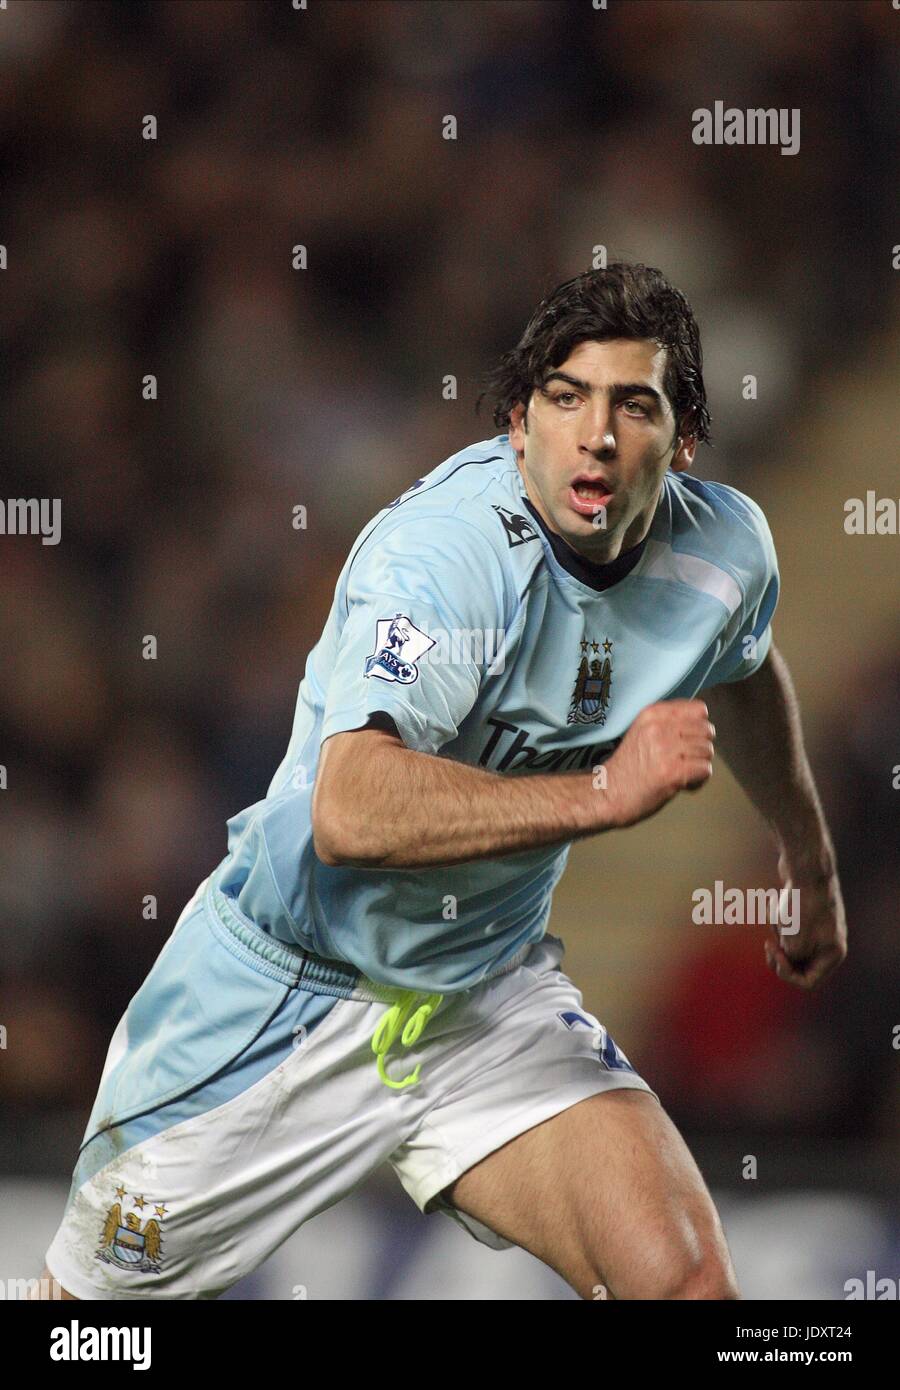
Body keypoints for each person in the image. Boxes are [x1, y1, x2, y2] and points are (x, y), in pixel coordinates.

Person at [38, 263, 846, 1301]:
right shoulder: (444, 560)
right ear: (518, 424)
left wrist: (807, 857)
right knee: (83, 1326)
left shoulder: (725, 547)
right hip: (280, 995)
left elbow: (740, 663)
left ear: (682, 442)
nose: (594, 435)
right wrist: (604, 791)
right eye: (564, 399)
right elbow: (348, 808)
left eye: (631, 405)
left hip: (477, 998)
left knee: (686, 1286)